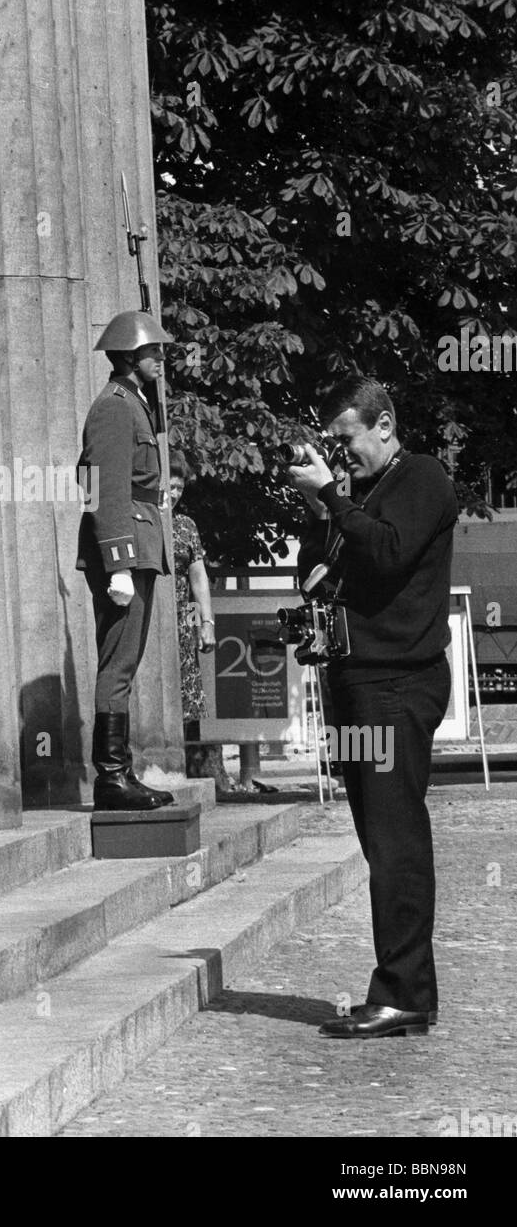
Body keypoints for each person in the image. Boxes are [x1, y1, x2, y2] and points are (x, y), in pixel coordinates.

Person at [288, 376, 457, 1038]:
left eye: (347, 439)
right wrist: (320, 515)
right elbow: (326, 569)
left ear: (382, 424)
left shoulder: (422, 477)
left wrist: (331, 496)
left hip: (396, 686)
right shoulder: (364, 495)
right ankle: (407, 991)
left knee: (395, 842)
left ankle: (402, 995)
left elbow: (386, 553)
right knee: (377, 839)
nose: (339, 455)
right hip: (358, 686)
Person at [76, 311, 175, 810]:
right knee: (117, 666)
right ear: (129, 357)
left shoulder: (136, 403)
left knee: (126, 663)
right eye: (153, 351)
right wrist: (116, 562)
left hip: (139, 546)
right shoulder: (114, 407)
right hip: (125, 550)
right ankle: (111, 776)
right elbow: (102, 487)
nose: (161, 357)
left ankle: (120, 772)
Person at [169, 450, 240, 798]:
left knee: (185, 704)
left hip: (182, 625)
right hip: (148, 620)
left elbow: (198, 578)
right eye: (168, 485)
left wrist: (206, 623)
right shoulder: (139, 519)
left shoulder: (186, 526)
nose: (173, 493)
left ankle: (180, 770)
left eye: (179, 487)